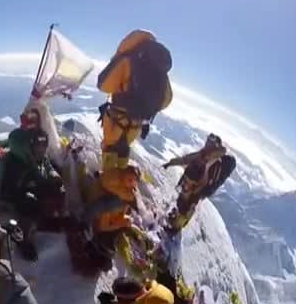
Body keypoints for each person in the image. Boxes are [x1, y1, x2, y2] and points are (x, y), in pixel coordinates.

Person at [97, 30, 173, 197]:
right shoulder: (160, 72)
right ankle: (124, 188)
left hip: (117, 120)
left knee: (110, 153)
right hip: (136, 125)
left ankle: (111, 193)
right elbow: (166, 100)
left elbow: (103, 85)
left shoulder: (127, 60)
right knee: (124, 150)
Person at [0, 127, 65, 260]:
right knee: (30, 203)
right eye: (37, 145)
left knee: (56, 192)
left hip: (29, 188)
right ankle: (25, 241)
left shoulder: (35, 157)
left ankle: (47, 220)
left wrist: (53, 176)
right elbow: (8, 190)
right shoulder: (12, 163)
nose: (41, 149)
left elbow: (47, 166)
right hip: (10, 198)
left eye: (43, 145)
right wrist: (33, 185)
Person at [164, 134, 237, 232]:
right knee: (182, 202)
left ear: (215, 146)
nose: (207, 144)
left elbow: (209, 180)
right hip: (190, 183)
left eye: (210, 143)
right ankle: (176, 218)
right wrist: (171, 163)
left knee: (187, 207)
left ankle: (175, 229)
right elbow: (186, 159)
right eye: (208, 141)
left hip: (197, 188)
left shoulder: (215, 162)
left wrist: (197, 191)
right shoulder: (203, 154)